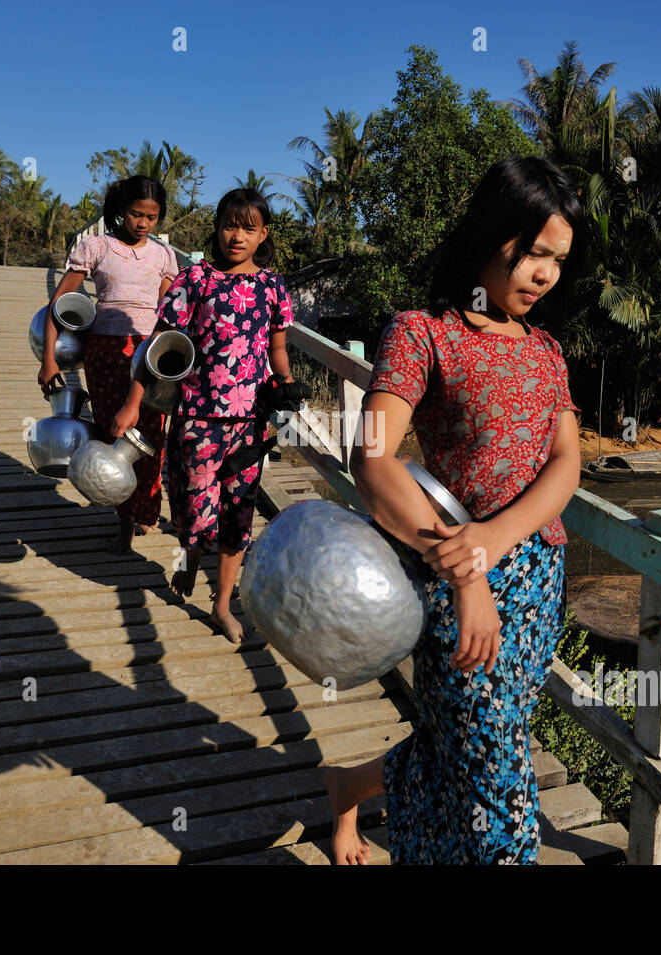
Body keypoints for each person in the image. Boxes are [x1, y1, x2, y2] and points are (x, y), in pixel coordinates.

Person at [323, 155, 584, 864]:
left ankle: (349, 786)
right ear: (488, 235)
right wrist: (469, 569)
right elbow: (372, 457)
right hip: (453, 579)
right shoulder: (421, 332)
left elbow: (568, 462)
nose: (545, 275)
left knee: (465, 742)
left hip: (537, 580)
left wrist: (497, 539)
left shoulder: (548, 351)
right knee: (501, 787)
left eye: (557, 260)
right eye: (533, 253)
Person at [125, 188, 294, 643]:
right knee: (196, 511)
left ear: (263, 234)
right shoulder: (194, 279)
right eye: (229, 225)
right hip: (199, 415)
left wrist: (286, 384)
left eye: (248, 227)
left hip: (251, 422)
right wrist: (133, 401)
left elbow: (277, 347)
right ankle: (192, 554)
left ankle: (221, 605)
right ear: (217, 228)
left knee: (239, 514)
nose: (236, 236)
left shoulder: (274, 287)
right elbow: (159, 346)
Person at [37, 176, 180, 553]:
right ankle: (124, 522)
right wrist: (49, 359)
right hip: (103, 353)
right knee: (111, 433)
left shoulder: (164, 256)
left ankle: (143, 510)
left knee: (149, 437)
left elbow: (173, 312)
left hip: (150, 354)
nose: (143, 223)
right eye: (136, 214)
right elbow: (59, 302)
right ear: (122, 210)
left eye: (152, 216)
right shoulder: (97, 247)